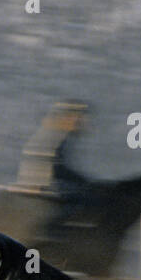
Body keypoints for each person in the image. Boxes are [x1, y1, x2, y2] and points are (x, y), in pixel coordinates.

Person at [15, 99, 91, 240]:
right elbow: (57, 167)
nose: (81, 121)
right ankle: (52, 233)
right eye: (78, 116)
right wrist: (84, 181)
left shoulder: (60, 134)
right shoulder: (55, 135)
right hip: (42, 183)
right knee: (79, 200)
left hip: (49, 180)